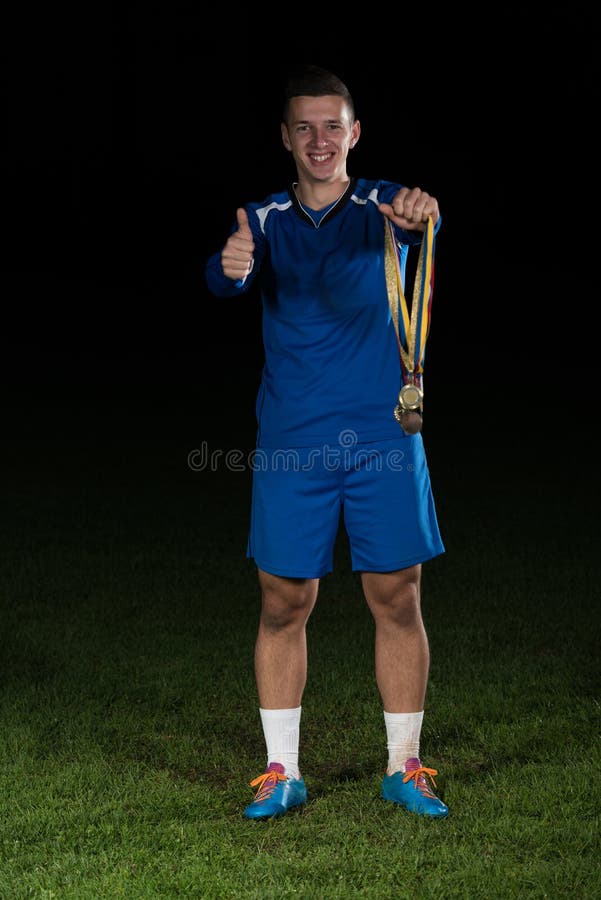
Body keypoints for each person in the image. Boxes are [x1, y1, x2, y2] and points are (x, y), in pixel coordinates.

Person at [204, 64, 448, 820]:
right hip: (292, 441)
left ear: (354, 133)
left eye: (331, 125)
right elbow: (225, 279)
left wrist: (423, 209)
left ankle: (403, 767)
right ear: (285, 136)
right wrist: (228, 267)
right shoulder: (264, 218)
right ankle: (282, 771)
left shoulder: (384, 207)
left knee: (396, 595)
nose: (319, 140)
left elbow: (423, 217)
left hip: (382, 433)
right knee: (283, 600)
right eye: (303, 127)